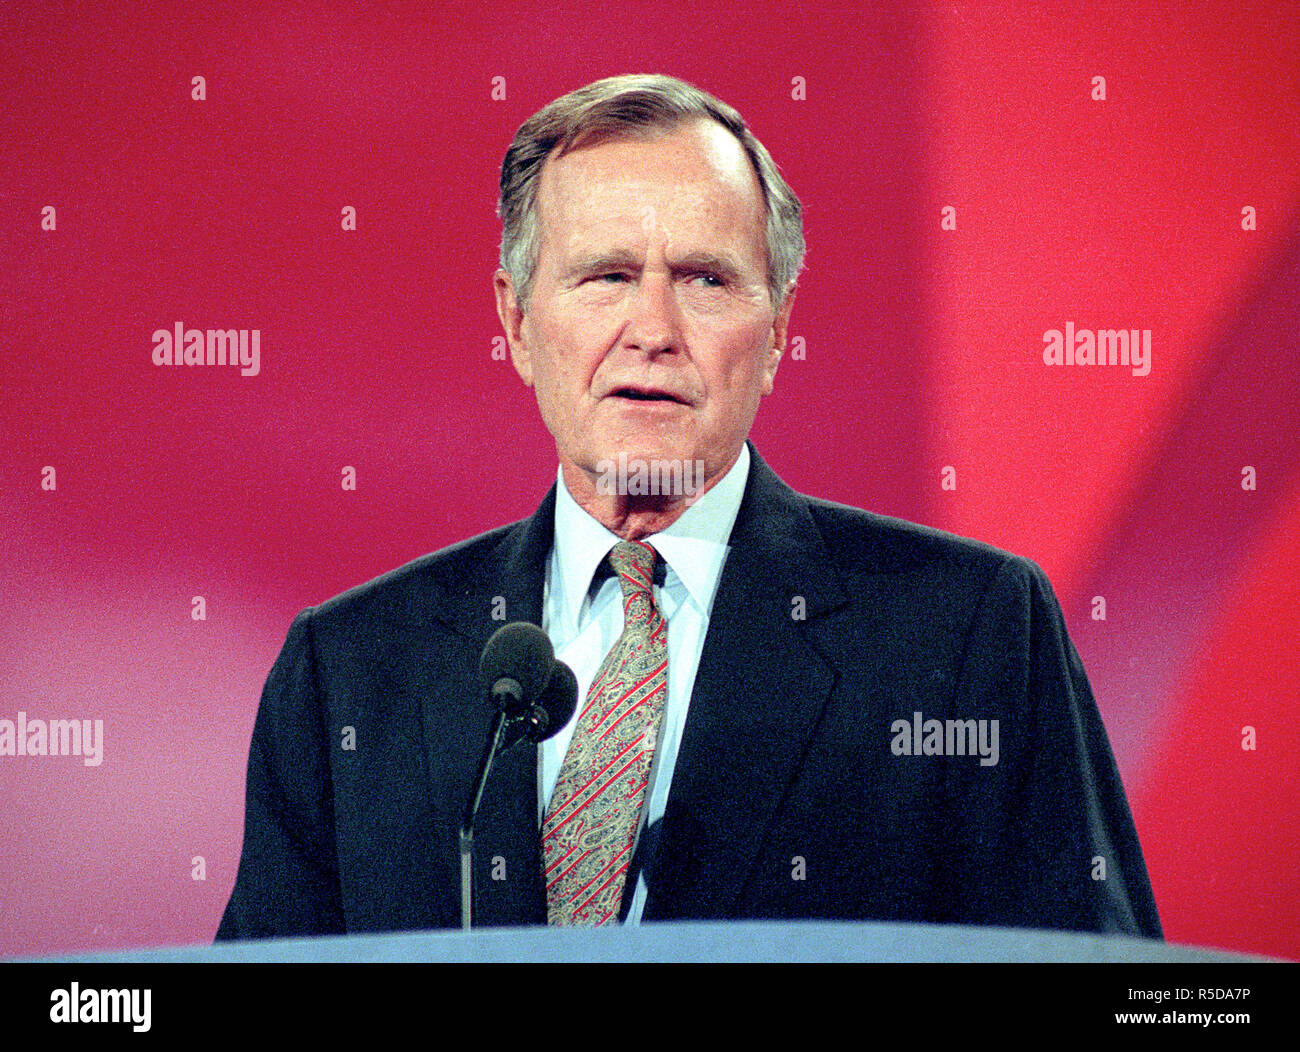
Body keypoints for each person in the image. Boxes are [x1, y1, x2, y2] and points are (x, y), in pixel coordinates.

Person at [216, 74, 1162, 939]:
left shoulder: (968, 635)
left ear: (780, 325)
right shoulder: (350, 671)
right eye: (608, 276)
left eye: (707, 281)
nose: (655, 333)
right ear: (515, 320)